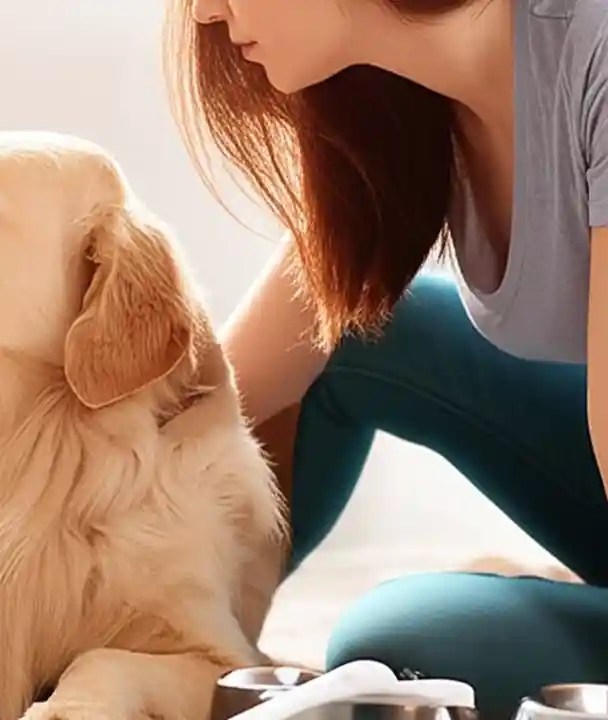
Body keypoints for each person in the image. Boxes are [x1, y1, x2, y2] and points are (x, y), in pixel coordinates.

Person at [165, 0, 608, 715]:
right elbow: (216, 394)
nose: (207, 13)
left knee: (398, 652)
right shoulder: (415, 97)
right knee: (355, 323)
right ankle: (181, 635)